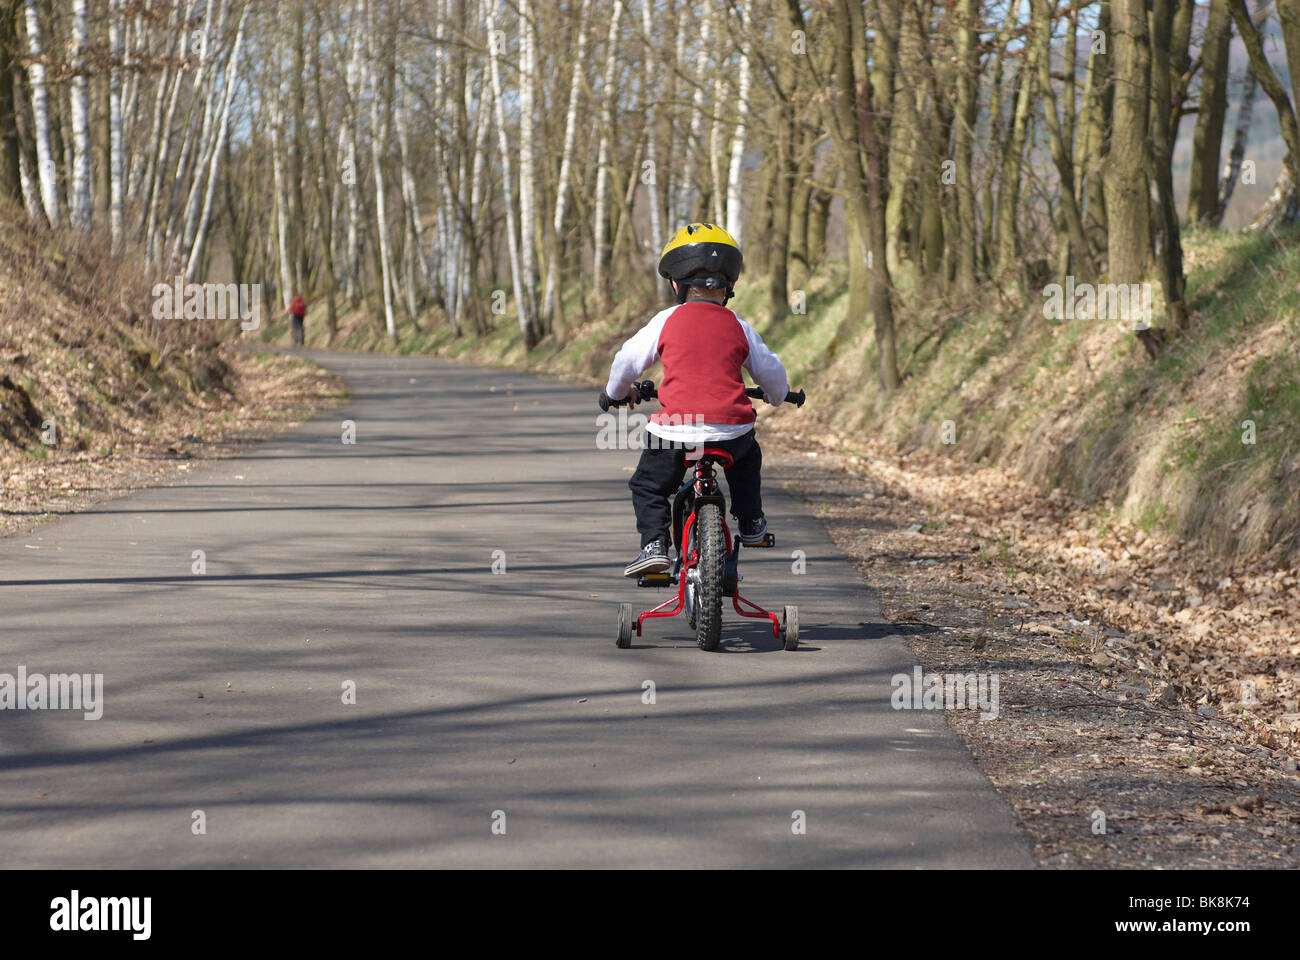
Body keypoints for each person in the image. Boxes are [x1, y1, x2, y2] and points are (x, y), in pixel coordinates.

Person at [603, 222, 789, 578]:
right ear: (729, 285)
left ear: (676, 283)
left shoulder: (666, 320)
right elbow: (772, 373)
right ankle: (750, 521)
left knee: (648, 485)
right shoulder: (738, 325)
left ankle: (654, 545)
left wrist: (617, 393)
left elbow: (626, 362)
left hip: (676, 430)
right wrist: (776, 396)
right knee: (748, 460)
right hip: (731, 428)